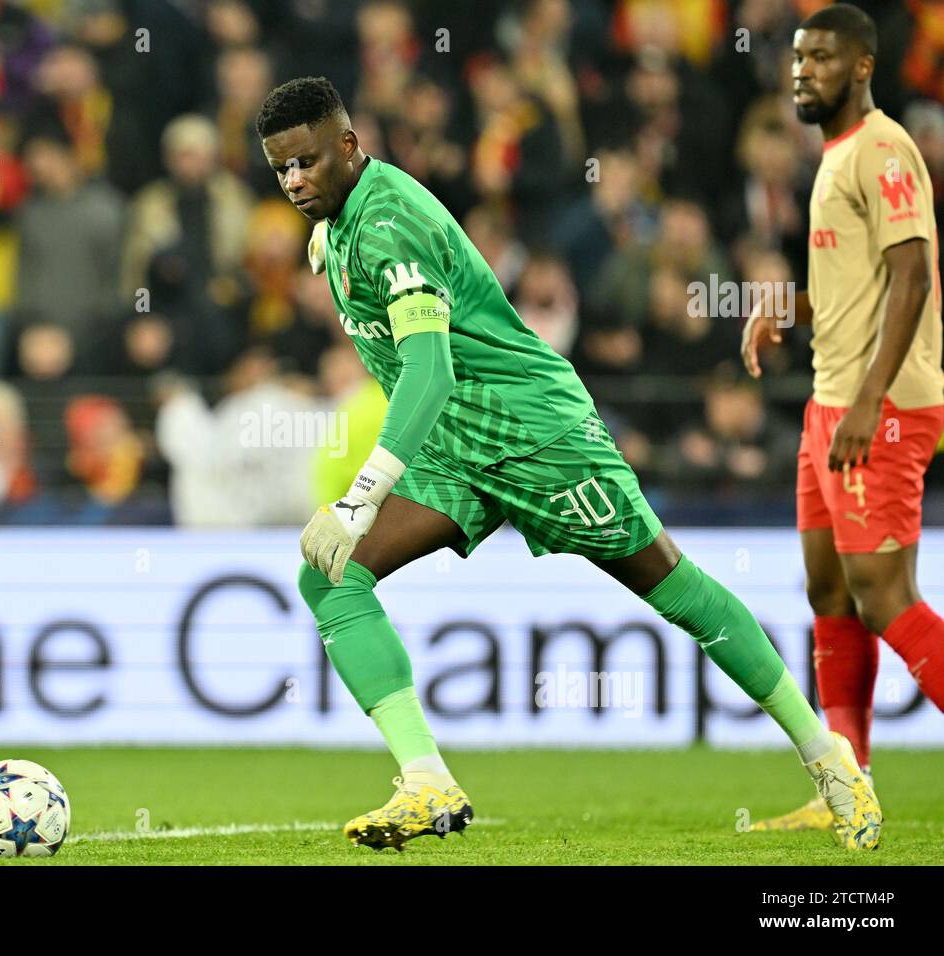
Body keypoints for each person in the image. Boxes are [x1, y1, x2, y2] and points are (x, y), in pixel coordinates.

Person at [256, 75, 881, 852]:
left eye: (307, 162)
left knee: (673, 587)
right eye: (280, 169)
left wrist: (362, 494)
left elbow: (431, 371)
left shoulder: (387, 224)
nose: (293, 182)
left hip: (535, 435)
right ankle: (425, 782)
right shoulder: (342, 222)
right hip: (457, 447)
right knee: (330, 576)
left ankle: (832, 760)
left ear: (349, 146)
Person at [742, 4, 944, 833]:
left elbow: (914, 274)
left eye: (821, 58)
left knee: (883, 592)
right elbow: (859, 285)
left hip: (882, 408)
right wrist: (790, 304)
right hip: (831, 404)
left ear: (862, 66)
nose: (802, 72)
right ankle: (846, 785)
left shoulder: (883, 148)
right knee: (829, 588)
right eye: (796, 59)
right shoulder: (832, 158)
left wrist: (868, 400)